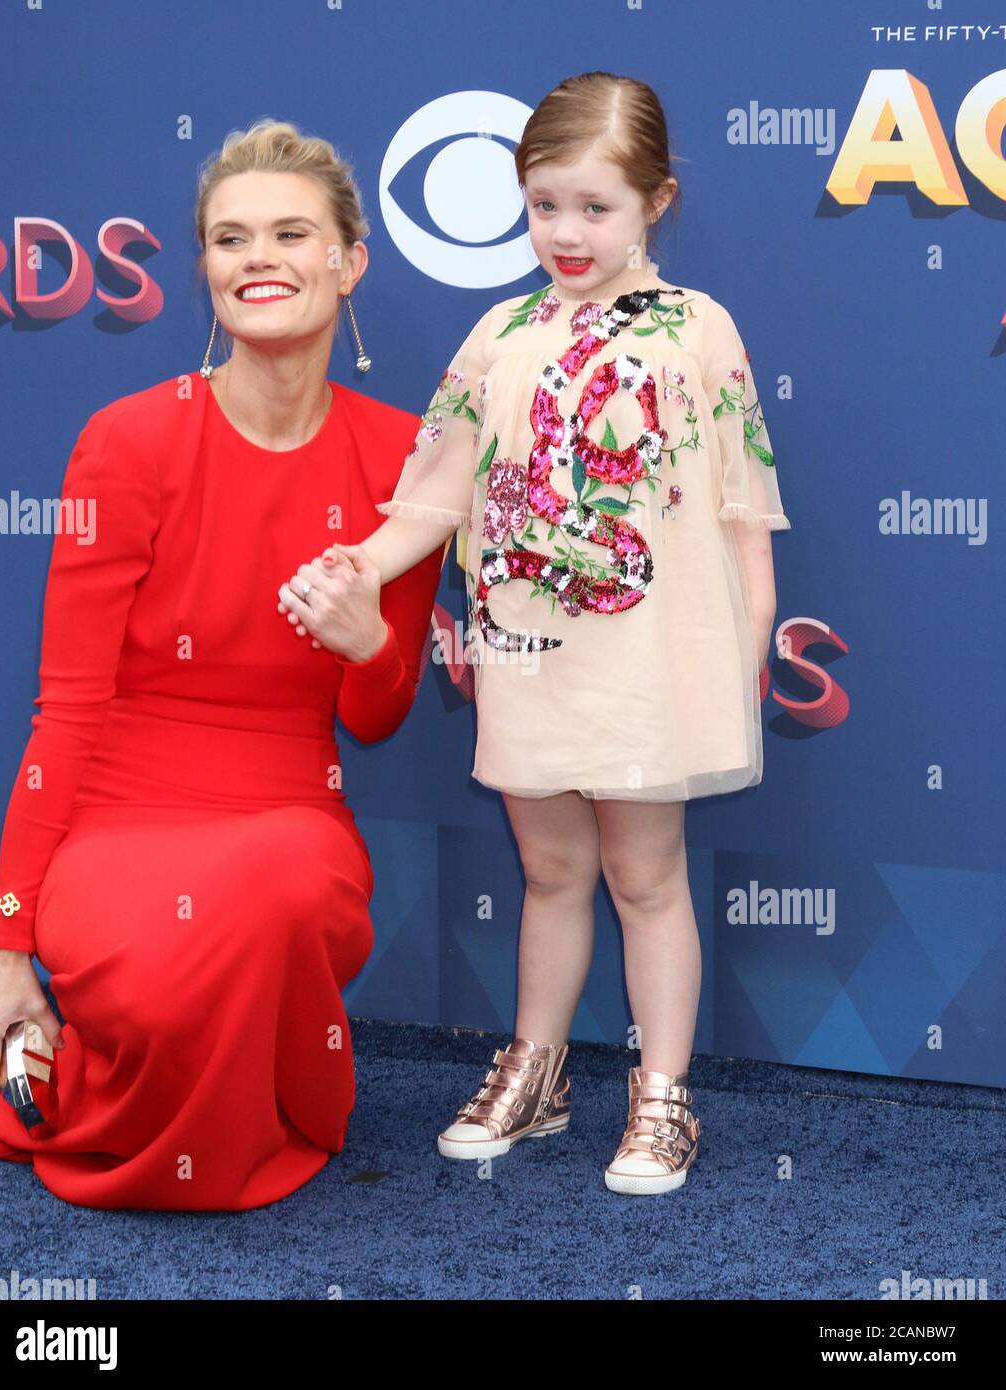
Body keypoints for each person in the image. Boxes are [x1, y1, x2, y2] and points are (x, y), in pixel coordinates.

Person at [278, 73, 791, 1196]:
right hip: (521, 648)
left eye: (594, 207)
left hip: (650, 658)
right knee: (549, 868)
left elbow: (743, 509)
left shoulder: (696, 330)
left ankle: (660, 1096)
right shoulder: (498, 330)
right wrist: (358, 561)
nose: (565, 232)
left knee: (645, 877)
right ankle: (537, 1069)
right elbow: (433, 494)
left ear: (655, 201)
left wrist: (745, 643)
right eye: (542, 204)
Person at [0, 119, 447, 1210]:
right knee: (166, 961)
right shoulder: (128, 441)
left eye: (291, 232)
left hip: (287, 807)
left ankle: (108, 1092)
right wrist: (3, 945)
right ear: (204, 270)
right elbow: (68, 712)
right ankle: (141, 1090)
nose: (259, 258)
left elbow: (375, 718)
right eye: (230, 239)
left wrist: (366, 642)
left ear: (348, 260)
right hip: (118, 813)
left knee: (272, 883)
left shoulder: (403, 461)